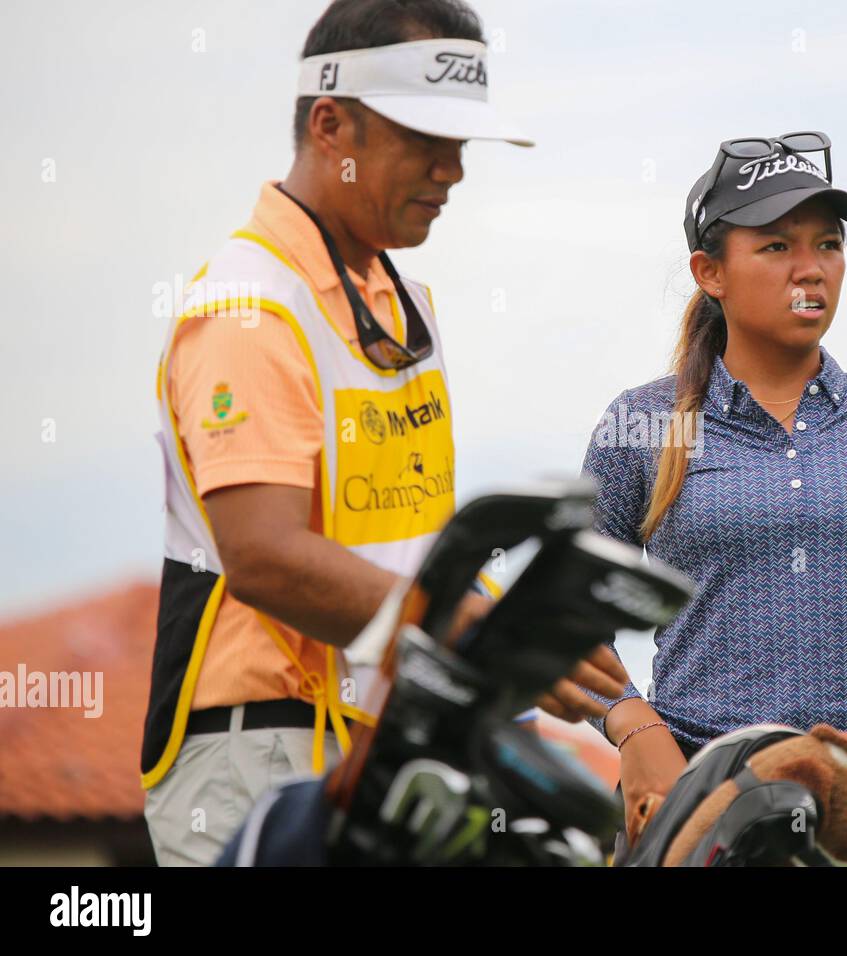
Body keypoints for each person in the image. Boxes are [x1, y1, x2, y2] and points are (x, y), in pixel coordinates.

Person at [142, 0, 627, 867]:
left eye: (462, 145)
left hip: (378, 744)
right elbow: (266, 557)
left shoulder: (398, 308)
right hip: (260, 750)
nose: (453, 171)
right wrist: (479, 631)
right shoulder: (248, 309)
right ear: (331, 125)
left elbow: (409, 544)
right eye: (426, 139)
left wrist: (514, 642)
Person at [581, 132, 847, 866]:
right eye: (776, 246)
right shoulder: (640, 422)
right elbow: (565, 614)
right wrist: (635, 728)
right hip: (703, 797)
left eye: (828, 244)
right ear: (709, 271)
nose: (811, 269)